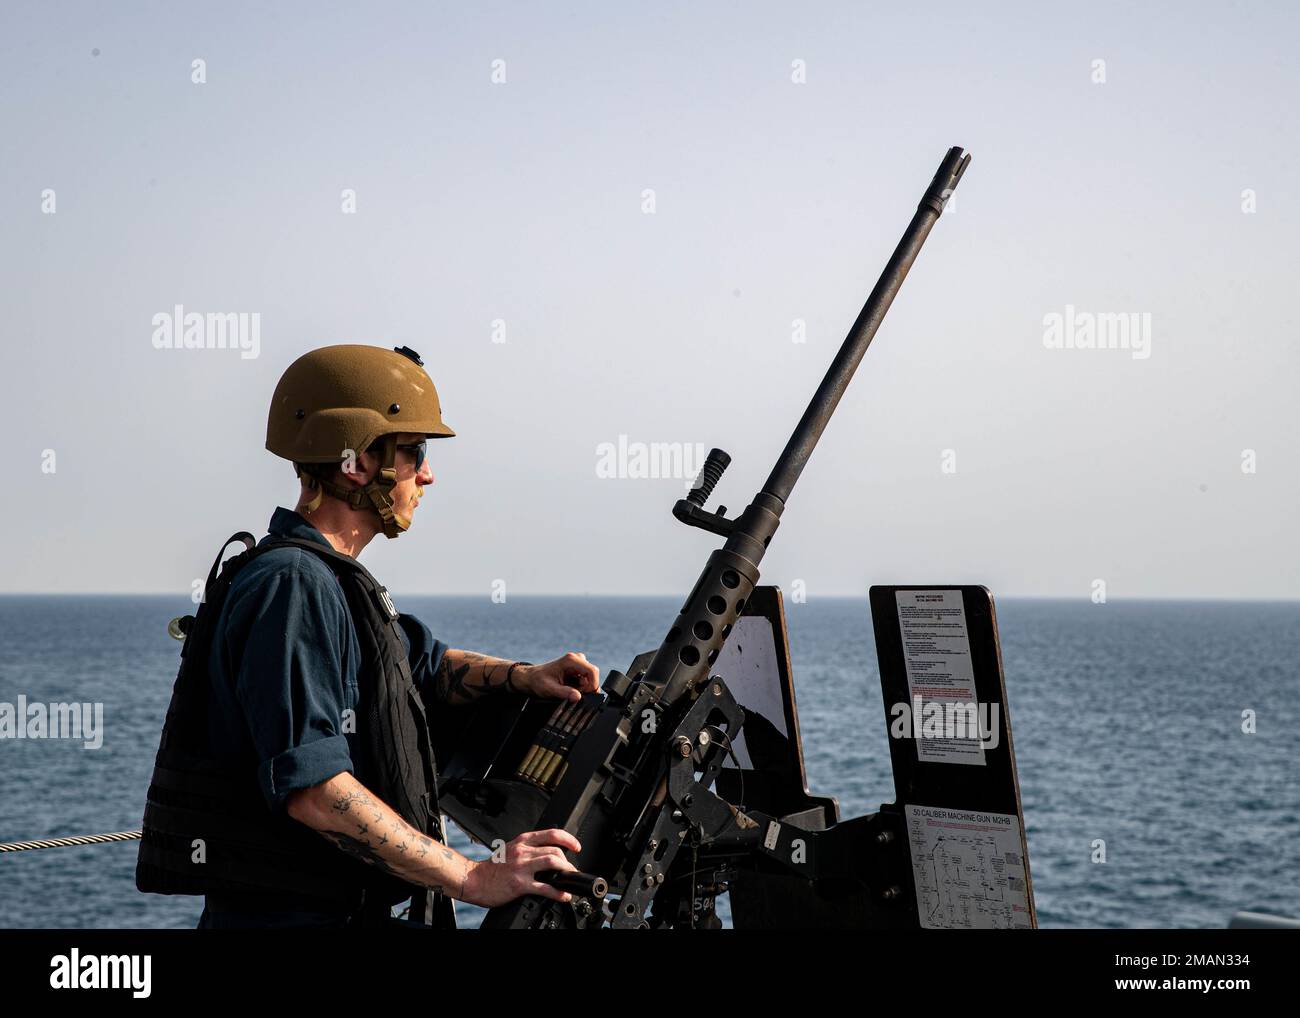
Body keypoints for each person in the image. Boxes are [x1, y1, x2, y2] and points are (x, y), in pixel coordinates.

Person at [136, 344, 598, 929]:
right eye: (414, 452)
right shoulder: (294, 586)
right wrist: (474, 875)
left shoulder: (328, 581)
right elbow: (314, 790)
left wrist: (525, 676)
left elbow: (421, 667)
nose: (426, 474)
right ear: (357, 463)